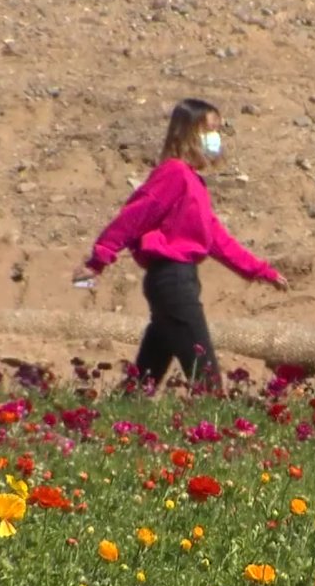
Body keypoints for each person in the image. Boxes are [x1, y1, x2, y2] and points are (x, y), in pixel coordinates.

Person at [72, 98, 289, 391]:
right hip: (171, 280)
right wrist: (99, 260)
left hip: (181, 279)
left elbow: (218, 240)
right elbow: (134, 216)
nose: (215, 139)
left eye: (217, 131)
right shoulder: (173, 173)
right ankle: (216, 425)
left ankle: (116, 418)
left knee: (146, 376)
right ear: (188, 133)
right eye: (209, 131)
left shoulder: (194, 182)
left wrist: (263, 271)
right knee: (205, 374)